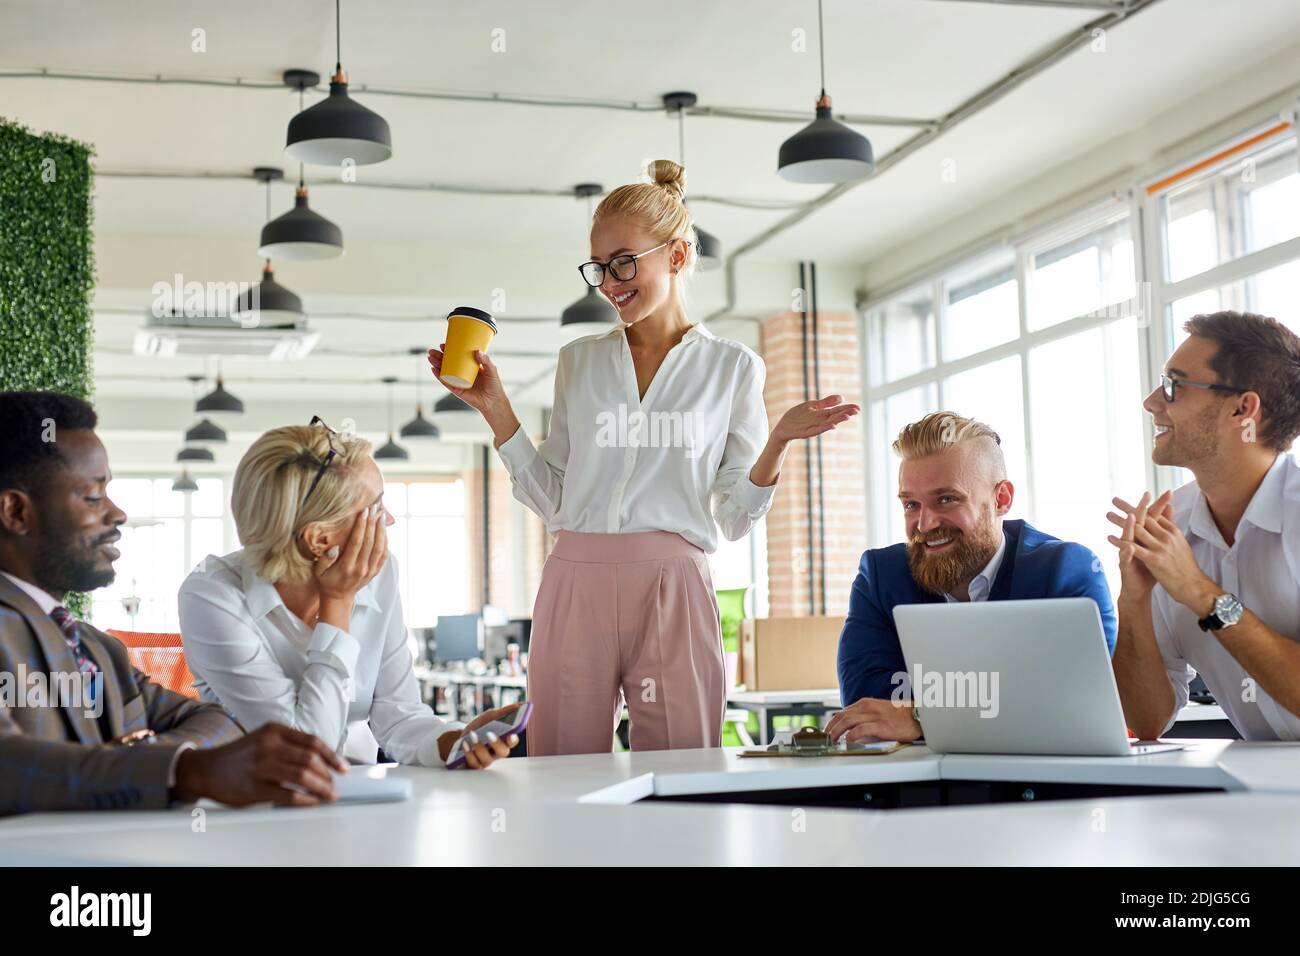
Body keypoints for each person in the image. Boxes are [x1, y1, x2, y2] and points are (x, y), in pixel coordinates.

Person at [429, 159, 859, 755]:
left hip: (674, 584)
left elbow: (734, 516)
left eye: (623, 261)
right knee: (558, 767)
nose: (609, 282)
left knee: (683, 766)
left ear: (677, 256)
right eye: (599, 268)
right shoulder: (578, 361)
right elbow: (555, 497)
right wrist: (496, 408)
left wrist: (778, 441)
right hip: (574, 578)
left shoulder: (733, 367)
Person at [0, 391, 347, 815]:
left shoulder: (97, 650)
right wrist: (180, 771)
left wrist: (150, 762)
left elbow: (219, 722)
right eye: (93, 497)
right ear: (16, 512)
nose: (117, 514)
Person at [179, 420, 518, 769]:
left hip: (362, 797)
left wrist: (453, 742)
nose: (389, 519)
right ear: (319, 540)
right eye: (376, 507)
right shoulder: (212, 596)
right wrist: (337, 604)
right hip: (262, 804)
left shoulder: (381, 574)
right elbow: (308, 751)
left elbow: (398, 716)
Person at [828, 411, 1115, 744]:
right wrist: (1004, 697)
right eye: (911, 504)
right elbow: (867, 705)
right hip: (918, 787)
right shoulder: (880, 575)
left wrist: (919, 715)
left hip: (1044, 785)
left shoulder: (1065, 570)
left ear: (1001, 499)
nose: (924, 524)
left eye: (946, 499)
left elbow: (1074, 700)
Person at [1108, 311, 1300, 741]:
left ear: (1242, 409)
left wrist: (1200, 592)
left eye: (1174, 385)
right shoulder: (1170, 528)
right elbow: (1147, 721)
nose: (1152, 402)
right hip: (1261, 792)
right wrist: (1134, 602)